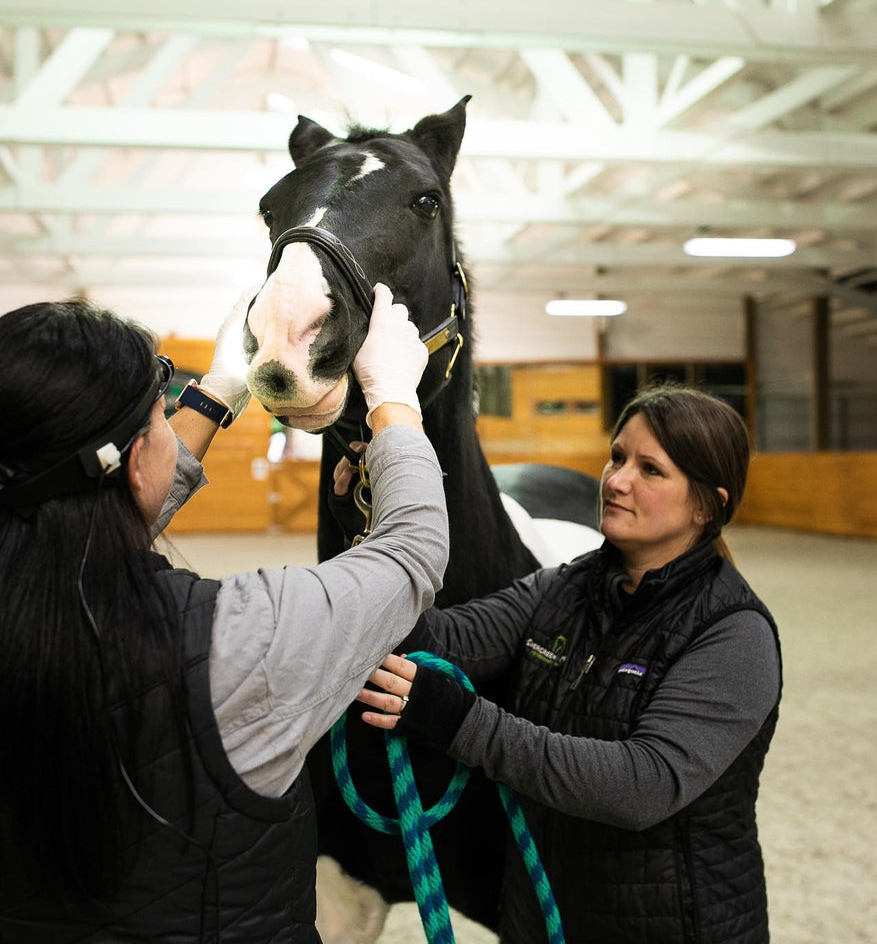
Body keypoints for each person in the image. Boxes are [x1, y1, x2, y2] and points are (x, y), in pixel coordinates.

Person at [0, 283, 448, 942]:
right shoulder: (240, 639)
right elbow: (412, 553)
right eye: (159, 419)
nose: (167, 432)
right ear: (130, 465)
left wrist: (216, 391)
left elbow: (78, 505)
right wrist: (393, 399)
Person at [355, 383, 782, 944]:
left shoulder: (733, 635)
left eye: (651, 470)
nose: (617, 480)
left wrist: (463, 721)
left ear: (707, 504)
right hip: (543, 915)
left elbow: (641, 785)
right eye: (618, 456)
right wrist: (365, 517)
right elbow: (441, 638)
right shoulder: (568, 585)